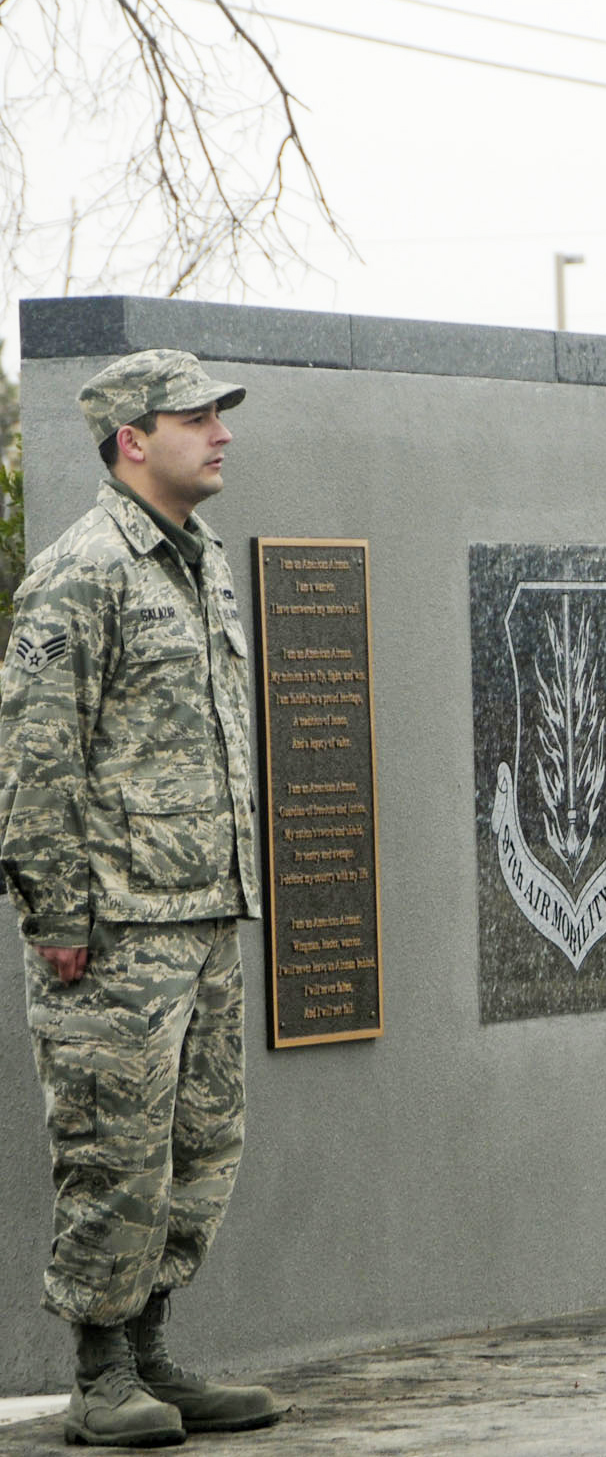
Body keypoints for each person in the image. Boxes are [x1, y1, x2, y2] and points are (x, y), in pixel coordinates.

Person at [0, 349, 286, 1446]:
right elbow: (36, 758)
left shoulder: (198, 558)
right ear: (132, 439)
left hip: (205, 912)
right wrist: (60, 915)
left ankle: (155, 1350)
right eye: (196, 418)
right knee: (112, 1154)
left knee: (200, 1148)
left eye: (219, 416)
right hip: (113, 931)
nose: (220, 433)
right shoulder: (82, 572)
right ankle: (101, 1369)